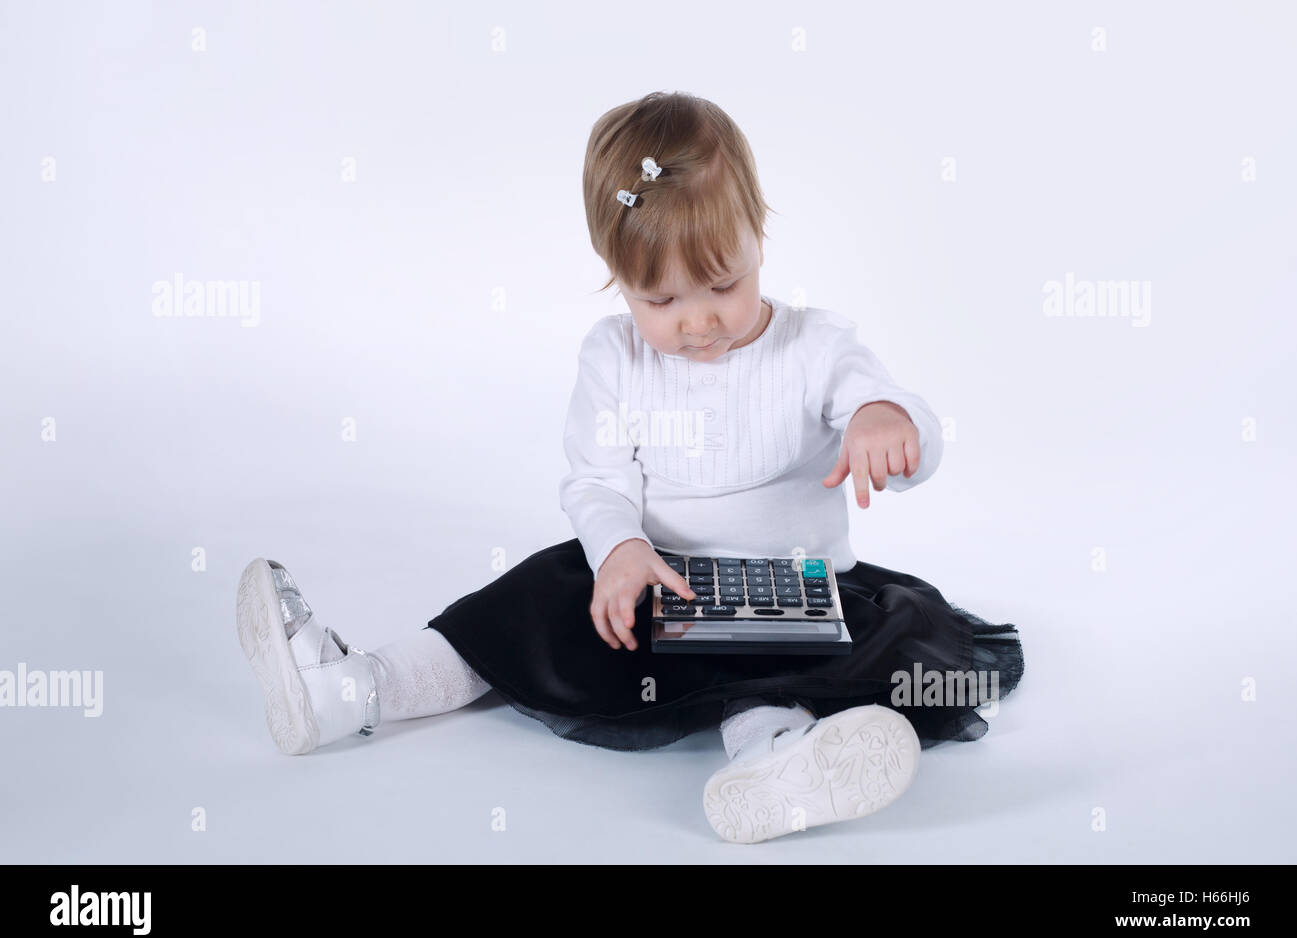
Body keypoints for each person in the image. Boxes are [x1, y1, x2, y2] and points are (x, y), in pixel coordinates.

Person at [235, 90, 1024, 845]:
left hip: (790, 587)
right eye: (662, 300)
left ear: (761, 232)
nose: (699, 321)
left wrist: (888, 424)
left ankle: (777, 762)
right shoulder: (614, 357)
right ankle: (350, 689)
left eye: (724, 284)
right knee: (519, 607)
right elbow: (597, 481)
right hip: (656, 581)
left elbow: (896, 414)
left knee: (775, 660)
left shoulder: (816, 347)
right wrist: (619, 548)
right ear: (617, 277)